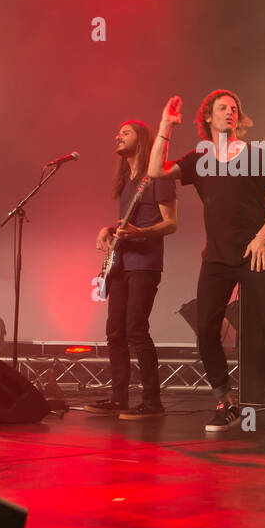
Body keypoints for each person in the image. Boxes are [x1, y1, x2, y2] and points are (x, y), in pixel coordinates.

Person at [147, 90, 265, 433]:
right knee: (205, 329)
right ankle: (225, 401)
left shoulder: (254, 155)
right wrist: (165, 124)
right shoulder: (199, 157)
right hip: (216, 258)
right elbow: (156, 170)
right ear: (208, 116)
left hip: (254, 253)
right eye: (223, 108)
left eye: (234, 108)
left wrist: (262, 237)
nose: (230, 112)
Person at [86, 120, 178, 419]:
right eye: (118, 131)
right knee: (114, 331)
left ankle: (153, 402)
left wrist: (139, 234)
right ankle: (119, 398)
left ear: (142, 140)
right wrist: (108, 229)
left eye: (125, 132)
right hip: (122, 263)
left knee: (136, 329)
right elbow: (127, 223)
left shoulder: (158, 176)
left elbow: (171, 223)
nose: (117, 135)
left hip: (145, 264)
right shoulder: (128, 182)